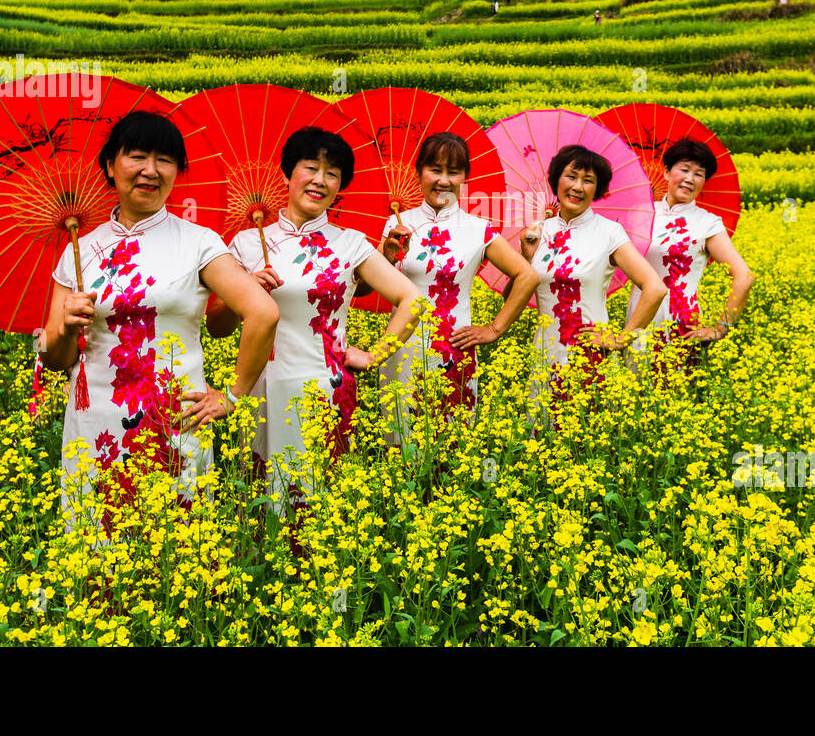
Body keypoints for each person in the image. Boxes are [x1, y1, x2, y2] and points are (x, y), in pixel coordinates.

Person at [41, 111, 278, 534]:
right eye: (137, 156)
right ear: (111, 166)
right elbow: (57, 359)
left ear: (177, 172)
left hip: (174, 422)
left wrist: (233, 395)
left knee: (176, 551)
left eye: (165, 159)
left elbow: (263, 311)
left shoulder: (198, 241)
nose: (151, 170)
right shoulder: (81, 250)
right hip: (94, 422)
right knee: (98, 550)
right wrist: (64, 326)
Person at [205, 126, 419, 513]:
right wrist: (246, 291)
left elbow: (411, 299)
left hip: (324, 388)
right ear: (288, 174)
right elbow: (217, 328)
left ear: (340, 185)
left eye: (332, 173)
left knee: (318, 498)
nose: (320, 180)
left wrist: (375, 355)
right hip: (259, 388)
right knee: (260, 500)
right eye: (310, 168)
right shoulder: (247, 242)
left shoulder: (350, 243)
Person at [373, 133, 538, 428]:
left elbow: (527, 276)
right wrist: (386, 254)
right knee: (401, 444)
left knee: (453, 445)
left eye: (454, 172)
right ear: (419, 172)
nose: (444, 180)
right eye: (435, 170)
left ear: (465, 177)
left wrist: (493, 329)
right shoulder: (395, 224)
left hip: (456, 348)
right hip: (403, 348)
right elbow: (361, 288)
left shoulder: (479, 229)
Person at [520, 145, 666, 376]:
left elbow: (655, 288)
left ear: (597, 189)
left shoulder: (609, 232)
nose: (577, 187)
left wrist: (621, 339)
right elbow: (515, 298)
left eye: (588, 180)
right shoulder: (538, 232)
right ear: (557, 180)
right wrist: (527, 257)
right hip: (545, 354)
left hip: (591, 355)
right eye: (571, 176)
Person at [627, 139, 753, 365]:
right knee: (635, 393)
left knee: (676, 392)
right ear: (666, 172)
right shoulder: (639, 213)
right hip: (639, 319)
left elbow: (744, 276)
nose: (689, 179)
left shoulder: (708, 223)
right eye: (684, 170)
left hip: (682, 323)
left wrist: (721, 328)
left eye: (699, 174)